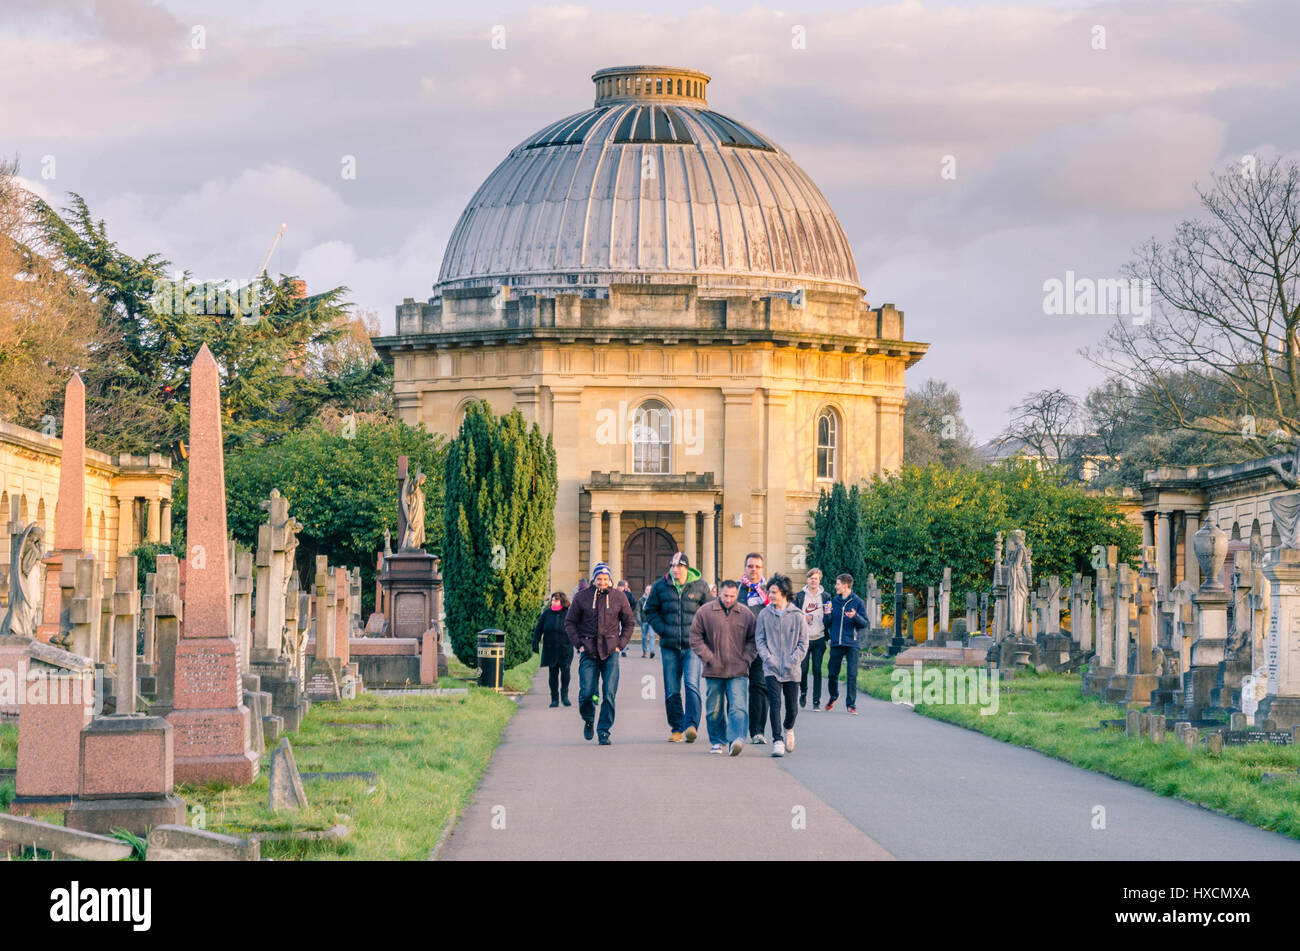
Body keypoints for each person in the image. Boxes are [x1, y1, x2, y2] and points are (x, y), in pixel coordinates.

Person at [564, 562, 636, 745]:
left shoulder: (619, 597)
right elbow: (570, 622)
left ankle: (604, 730)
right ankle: (588, 718)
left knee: (609, 692)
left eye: (605, 579)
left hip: (611, 651)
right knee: (587, 692)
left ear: (610, 579)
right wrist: (578, 644)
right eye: (599, 579)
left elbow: (629, 622)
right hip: (588, 650)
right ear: (594, 579)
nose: (602, 582)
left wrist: (620, 645)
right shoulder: (581, 597)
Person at [644, 552, 711, 743]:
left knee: (691, 684)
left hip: (692, 646)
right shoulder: (660, 586)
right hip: (669, 645)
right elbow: (649, 611)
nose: (675, 569)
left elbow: (709, 612)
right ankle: (676, 727)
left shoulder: (700, 586)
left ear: (686, 568)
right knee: (672, 688)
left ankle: (691, 725)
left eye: (679, 566)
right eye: (672, 566)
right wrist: (662, 629)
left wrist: (702, 634)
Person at [689, 580, 757, 755]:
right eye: (725, 595)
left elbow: (753, 640)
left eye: (732, 596)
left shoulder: (746, 614)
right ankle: (717, 741)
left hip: (738, 669)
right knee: (715, 708)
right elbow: (695, 637)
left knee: (738, 706)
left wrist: (747, 659)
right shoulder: (705, 612)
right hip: (714, 669)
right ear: (719, 593)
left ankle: (737, 740)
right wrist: (709, 657)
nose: (728, 599)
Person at [755, 574, 808, 756]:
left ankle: (789, 728)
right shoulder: (764, 614)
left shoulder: (798, 616)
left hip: (792, 669)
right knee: (775, 704)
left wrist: (793, 660)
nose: (771, 595)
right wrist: (767, 658)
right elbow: (759, 639)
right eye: (769, 591)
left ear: (784, 593)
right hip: (771, 668)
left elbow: (803, 643)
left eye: (774, 592)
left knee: (792, 707)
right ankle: (777, 740)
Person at [737, 552, 770, 744]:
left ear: (762, 569)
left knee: (759, 688)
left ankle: (757, 731)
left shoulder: (770, 591)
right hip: (739, 649)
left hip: (762, 649)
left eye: (757, 567)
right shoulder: (737, 589)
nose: (754, 570)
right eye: (750, 566)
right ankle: (736, 731)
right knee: (736, 690)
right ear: (745, 568)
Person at [825, 573, 869, 714]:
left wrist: (855, 616)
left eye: (838, 584)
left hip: (852, 644)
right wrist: (827, 614)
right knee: (832, 674)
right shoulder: (834, 602)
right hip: (836, 643)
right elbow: (827, 623)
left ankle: (851, 704)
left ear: (845, 585)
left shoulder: (858, 602)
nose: (835, 586)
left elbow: (865, 623)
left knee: (852, 674)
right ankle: (833, 695)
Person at [794, 569, 829, 710]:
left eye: (816, 578)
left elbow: (829, 616)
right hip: (804, 638)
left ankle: (816, 701)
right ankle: (803, 692)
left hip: (819, 637)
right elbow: (794, 615)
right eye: (811, 578)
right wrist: (804, 617)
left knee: (817, 670)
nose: (813, 581)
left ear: (819, 580)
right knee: (803, 669)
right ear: (807, 580)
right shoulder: (800, 596)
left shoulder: (826, 597)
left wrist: (827, 616)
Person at [533, 591, 574, 707]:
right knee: (553, 673)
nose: (553, 602)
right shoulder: (547, 613)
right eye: (552, 600)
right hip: (550, 648)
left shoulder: (568, 613)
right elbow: (539, 628)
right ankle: (554, 698)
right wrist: (535, 642)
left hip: (565, 648)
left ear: (562, 601)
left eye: (555, 600)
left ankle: (564, 696)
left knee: (566, 671)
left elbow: (575, 629)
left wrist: (579, 643)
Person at [637, 584, 656, 658]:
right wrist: (639, 621)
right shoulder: (641, 600)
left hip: (651, 621)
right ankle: (644, 652)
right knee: (644, 637)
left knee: (652, 635)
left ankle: (652, 651)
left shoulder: (654, 599)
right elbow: (638, 611)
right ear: (645, 591)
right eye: (647, 589)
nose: (648, 591)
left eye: (650, 590)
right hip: (644, 621)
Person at [616, 580, 632, 655]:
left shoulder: (628, 594)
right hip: (616, 617)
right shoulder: (614, 593)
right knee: (617, 632)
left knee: (624, 632)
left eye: (622, 587)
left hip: (624, 616)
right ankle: (617, 648)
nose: (621, 588)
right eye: (620, 586)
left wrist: (629, 611)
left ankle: (623, 650)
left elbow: (633, 603)